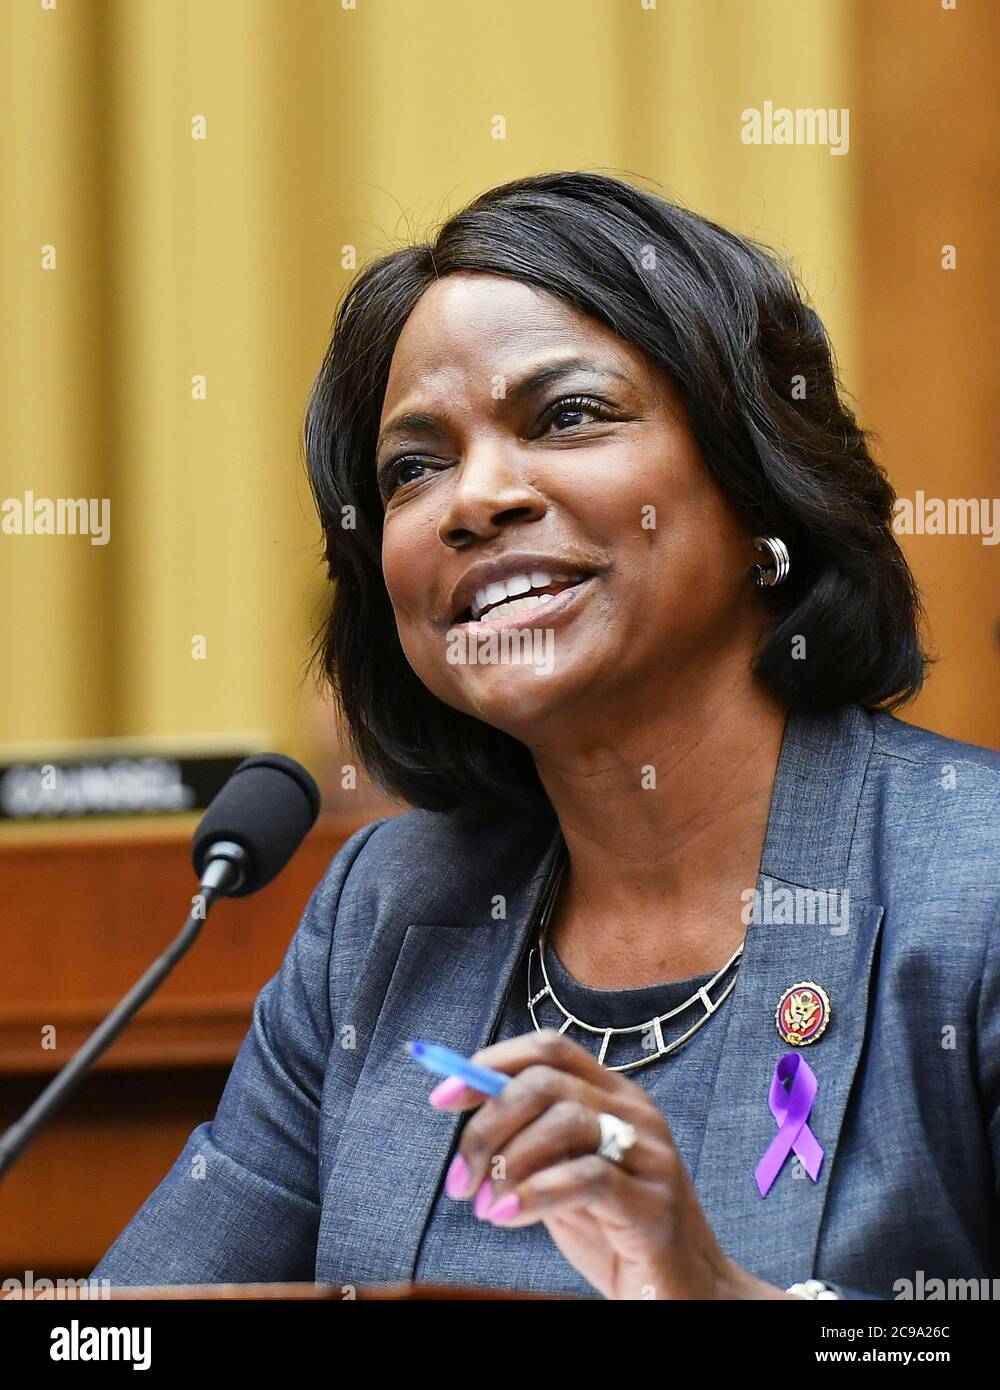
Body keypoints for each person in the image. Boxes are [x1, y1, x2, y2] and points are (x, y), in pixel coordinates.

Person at [92, 171, 1000, 1300]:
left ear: (758, 481)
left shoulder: (974, 884)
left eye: (565, 415)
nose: (474, 498)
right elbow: (117, 1332)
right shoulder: (385, 910)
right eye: (412, 469)